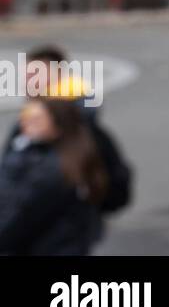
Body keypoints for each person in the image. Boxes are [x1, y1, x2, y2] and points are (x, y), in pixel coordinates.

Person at [3, 45, 132, 218]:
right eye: (27, 76)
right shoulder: (26, 125)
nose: (27, 83)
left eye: (35, 75)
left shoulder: (83, 133)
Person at [0, 97, 107, 254]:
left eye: (36, 120)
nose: (25, 125)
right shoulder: (32, 149)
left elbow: (19, 217)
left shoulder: (51, 171)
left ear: (57, 124)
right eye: (25, 117)